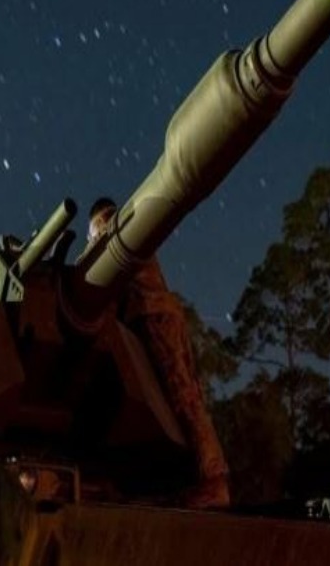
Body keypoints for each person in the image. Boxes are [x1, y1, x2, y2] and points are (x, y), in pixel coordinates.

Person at [87, 197, 230, 508]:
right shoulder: (130, 230)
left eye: (94, 232)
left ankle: (213, 483)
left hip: (152, 316)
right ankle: (198, 480)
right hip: (156, 316)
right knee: (178, 401)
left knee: (182, 398)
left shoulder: (117, 228)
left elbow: (98, 262)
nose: (95, 237)